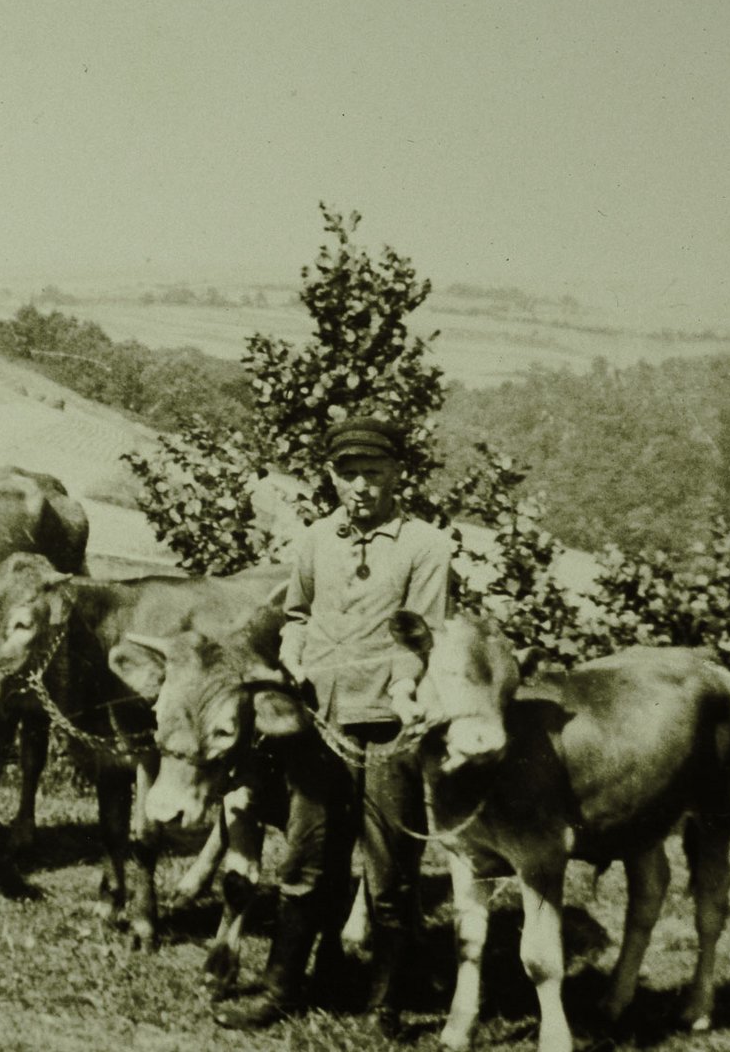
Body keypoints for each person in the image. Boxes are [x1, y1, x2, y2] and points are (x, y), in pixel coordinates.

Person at [216, 416, 452, 1036]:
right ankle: (281, 988)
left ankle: (385, 1002)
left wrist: (404, 683)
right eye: (348, 475)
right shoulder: (317, 539)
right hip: (319, 723)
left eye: (374, 474)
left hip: (389, 728)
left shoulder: (427, 546)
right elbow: (294, 612)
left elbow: (423, 634)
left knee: (390, 865)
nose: (361, 487)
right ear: (330, 477)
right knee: (306, 856)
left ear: (398, 475)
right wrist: (293, 649)